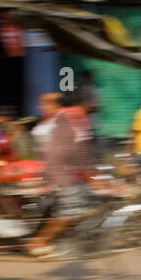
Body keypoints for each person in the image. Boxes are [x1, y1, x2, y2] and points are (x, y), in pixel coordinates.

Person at [27, 92, 88, 257]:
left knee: (69, 210)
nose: (41, 107)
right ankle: (38, 242)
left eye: (44, 103)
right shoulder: (58, 121)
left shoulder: (53, 120)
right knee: (68, 212)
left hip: (56, 173)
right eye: (42, 103)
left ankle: (62, 241)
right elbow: (61, 152)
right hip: (60, 174)